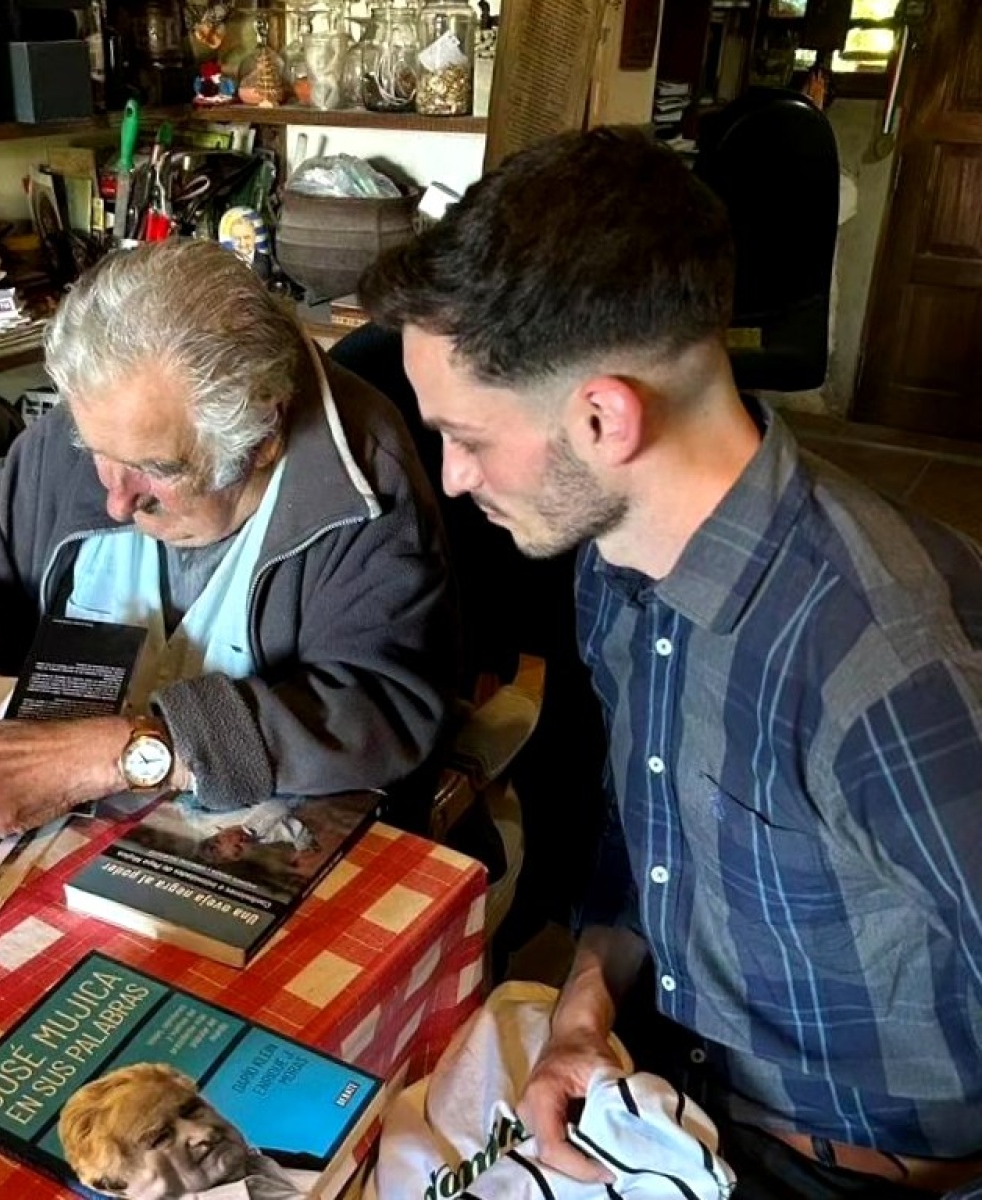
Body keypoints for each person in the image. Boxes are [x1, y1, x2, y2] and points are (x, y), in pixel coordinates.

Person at [358, 125, 982, 1199]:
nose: (451, 479)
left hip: (847, 1173)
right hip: (667, 1095)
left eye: (466, 436)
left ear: (603, 416)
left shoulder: (887, 660)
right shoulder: (618, 560)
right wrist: (583, 1012)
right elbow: (645, 829)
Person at [0, 239, 455, 838]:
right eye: (97, 452)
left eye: (159, 470)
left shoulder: (365, 484)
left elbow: (382, 708)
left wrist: (126, 751)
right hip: (64, 824)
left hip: (255, 834)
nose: (116, 498)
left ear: (264, 436)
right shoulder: (102, 420)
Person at [58, 1062, 312, 1199]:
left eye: (192, 1110)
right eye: (161, 1137)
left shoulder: (289, 1161)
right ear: (116, 1184)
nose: (203, 1133)